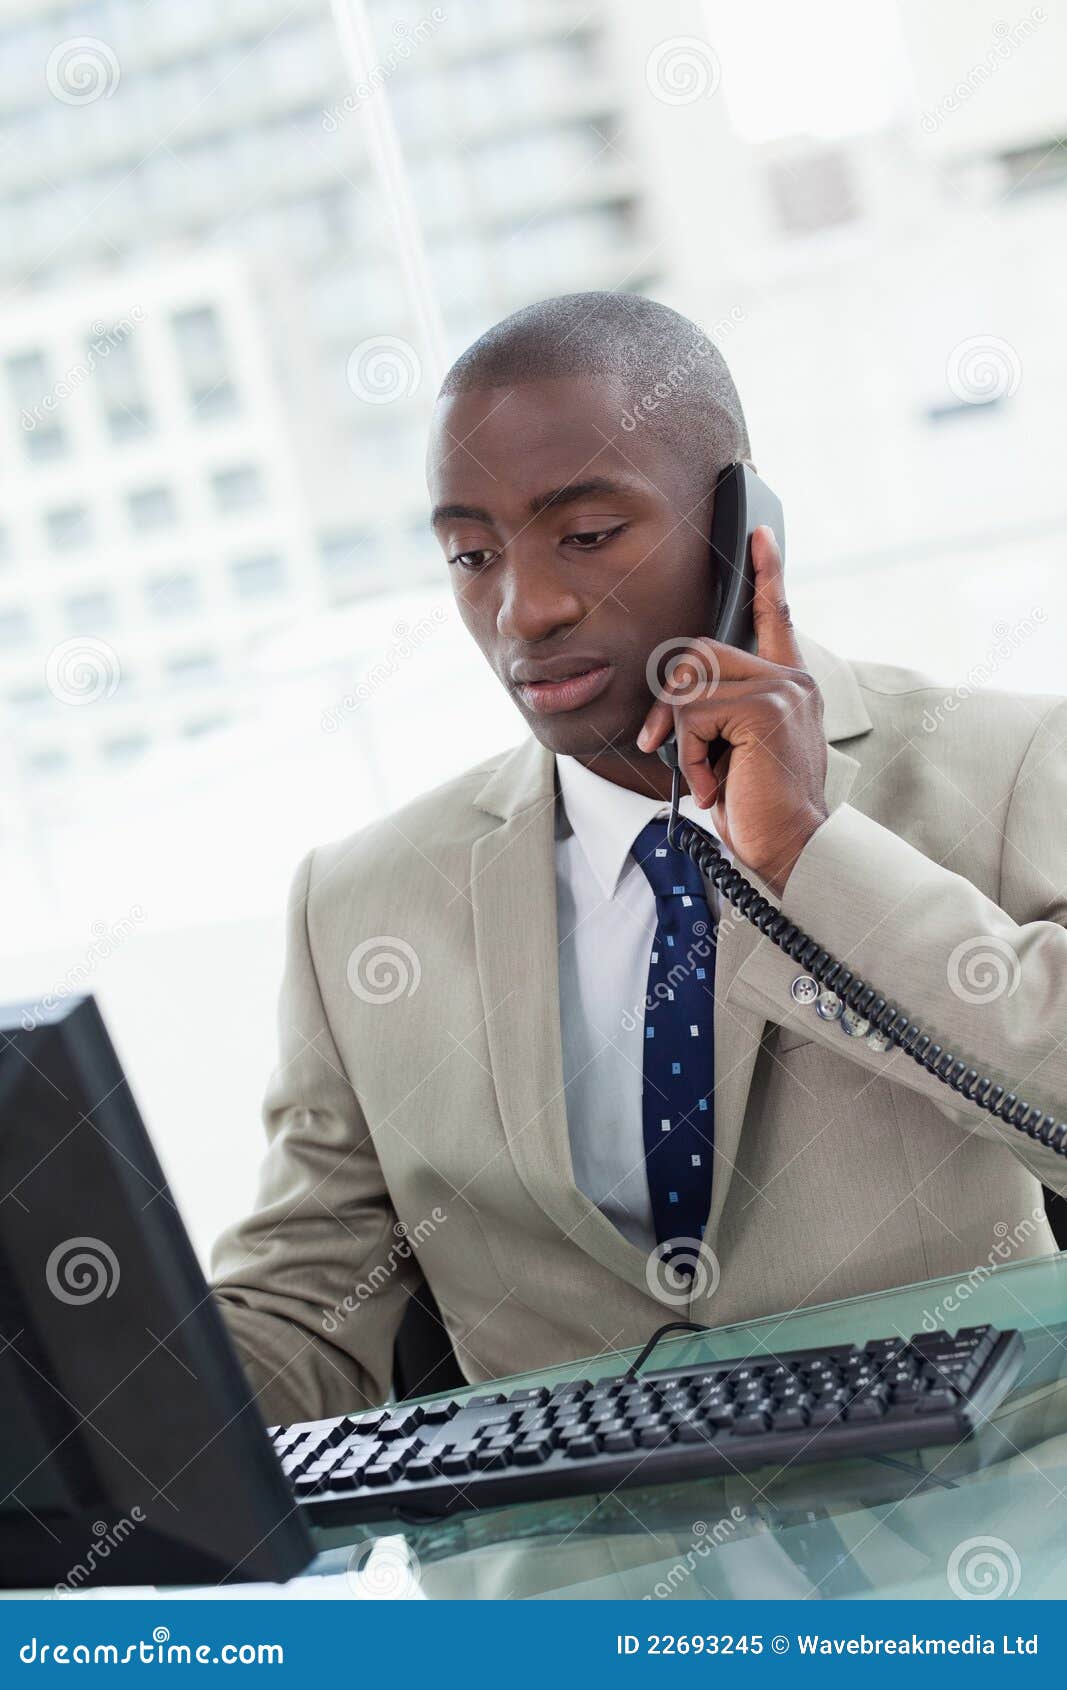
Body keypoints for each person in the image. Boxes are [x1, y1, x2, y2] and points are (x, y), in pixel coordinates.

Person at [212, 292, 1067, 1426]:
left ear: (738, 529)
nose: (524, 609)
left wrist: (807, 853)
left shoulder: (1001, 767)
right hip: (568, 1588)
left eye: (585, 534)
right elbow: (300, 1324)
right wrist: (78, 1377)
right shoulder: (358, 905)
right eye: (472, 555)